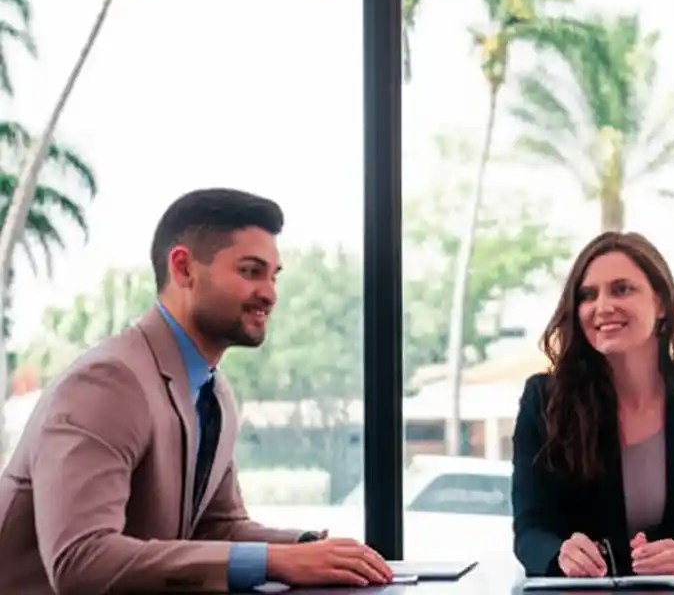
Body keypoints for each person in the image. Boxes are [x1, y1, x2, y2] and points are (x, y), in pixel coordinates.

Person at [0, 188, 393, 593]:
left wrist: (312, 550)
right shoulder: (107, 382)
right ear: (184, 268)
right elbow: (81, 560)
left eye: (273, 276)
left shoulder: (213, 392)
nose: (270, 294)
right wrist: (276, 561)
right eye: (250, 271)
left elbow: (217, 528)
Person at [512, 231, 674, 578]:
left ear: (662, 303)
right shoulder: (544, 399)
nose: (603, 306)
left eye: (622, 289)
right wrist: (560, 553)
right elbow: (530, 530)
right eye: (587, 295)